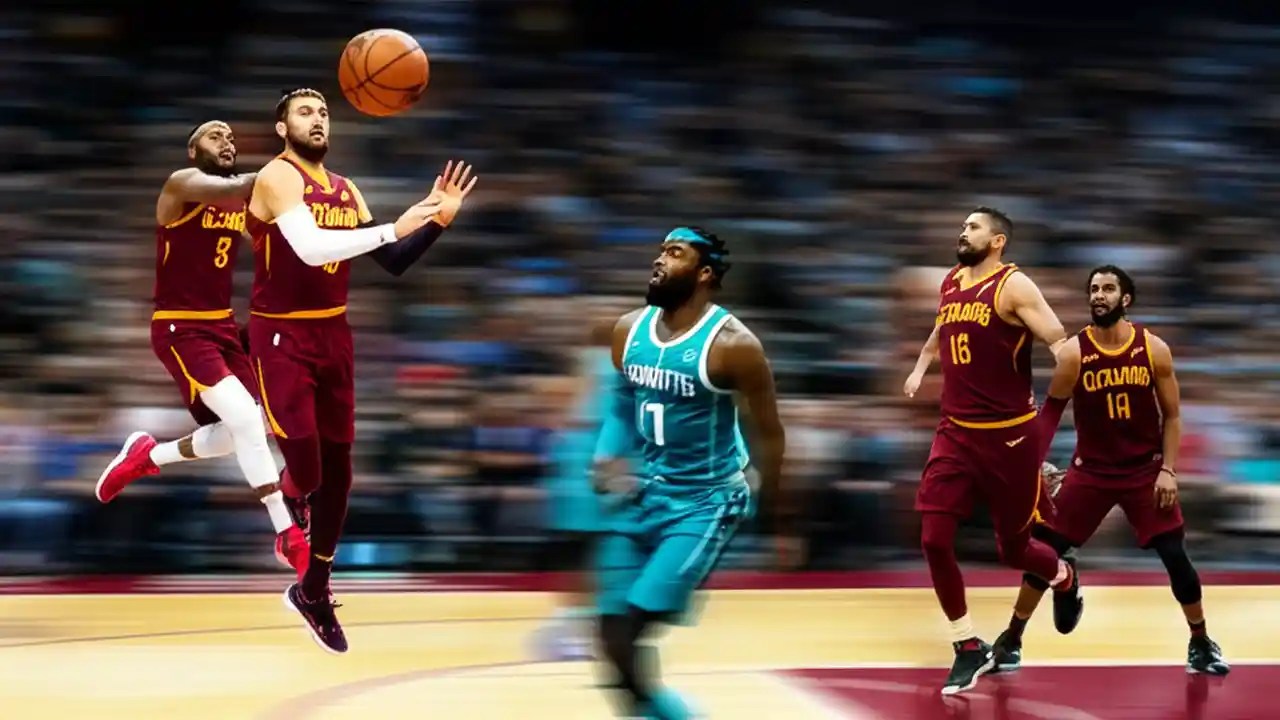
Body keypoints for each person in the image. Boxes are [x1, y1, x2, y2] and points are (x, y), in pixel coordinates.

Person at [246, 87, 477, 653]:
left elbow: (393, 263)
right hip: (279, 334)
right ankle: (292, 494)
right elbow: (308, 248)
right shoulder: (275, 178)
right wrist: (393, 227)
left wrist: (437, 222)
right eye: (304, 112)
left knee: (341, 470)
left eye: (324, 112)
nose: (317, 119)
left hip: (333, 334)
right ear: (282, 128)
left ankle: (315, 592)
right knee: (305, 458)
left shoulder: (347, 189)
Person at [991, 265, 1229, 675]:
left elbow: (1172, 417)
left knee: (1176, 557)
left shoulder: (1153, 349)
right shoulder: (1073, 354)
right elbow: (1049, 416)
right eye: (1094, 289)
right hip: (1091, 472)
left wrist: (1168, 470)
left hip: (1144, 471)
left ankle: (1201, 642)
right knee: (1043, 551)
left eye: (1108, 289)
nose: (1098, 295)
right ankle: (1011, 638)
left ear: (1126, 299)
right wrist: (1029, 465)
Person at [592, 227, 790, 719]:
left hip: (705, 503)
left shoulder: (734, 346)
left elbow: (770, 432)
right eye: (659, 250)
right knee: (610, 641)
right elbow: (621, 402)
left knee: (632, 630)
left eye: (674, 253)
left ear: (704, 273)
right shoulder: (628, 331)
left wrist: (780, 518)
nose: (659, 259)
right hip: (647, 494)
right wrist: (607, 454)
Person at [95, 121, 308, 576]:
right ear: (193, 149)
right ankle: (286, 533)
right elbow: (241, 187)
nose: (226, 142)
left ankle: (146, 457)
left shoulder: (238, 202)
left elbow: (272, 239)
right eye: (215, 136)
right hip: (180, 327)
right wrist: (289, 166)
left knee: (247, 430)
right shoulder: (183, 184)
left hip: (223, 328)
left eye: (230, 138)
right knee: (248, 419)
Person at [903, 207, 1079, 695]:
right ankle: (967, 645)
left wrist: (1051, 420)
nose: (963, 231)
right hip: (955, 431)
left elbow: (1064, 348)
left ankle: (1064, 577)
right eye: (961, 226)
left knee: (1013, 550)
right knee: (935, 538)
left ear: (998, 240)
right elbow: (942, 328)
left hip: (1009, 436)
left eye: (973, 227)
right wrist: (921, 366)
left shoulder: (1015, 287)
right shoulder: (952, 280)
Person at [532, 304, 638, 662]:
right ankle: (572, 629)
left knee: (583, 557)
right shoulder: (617, 371)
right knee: (596, 557)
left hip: (574, 471)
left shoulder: (589, 365)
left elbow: (566, 415)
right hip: (595, 474)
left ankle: (572, 626)